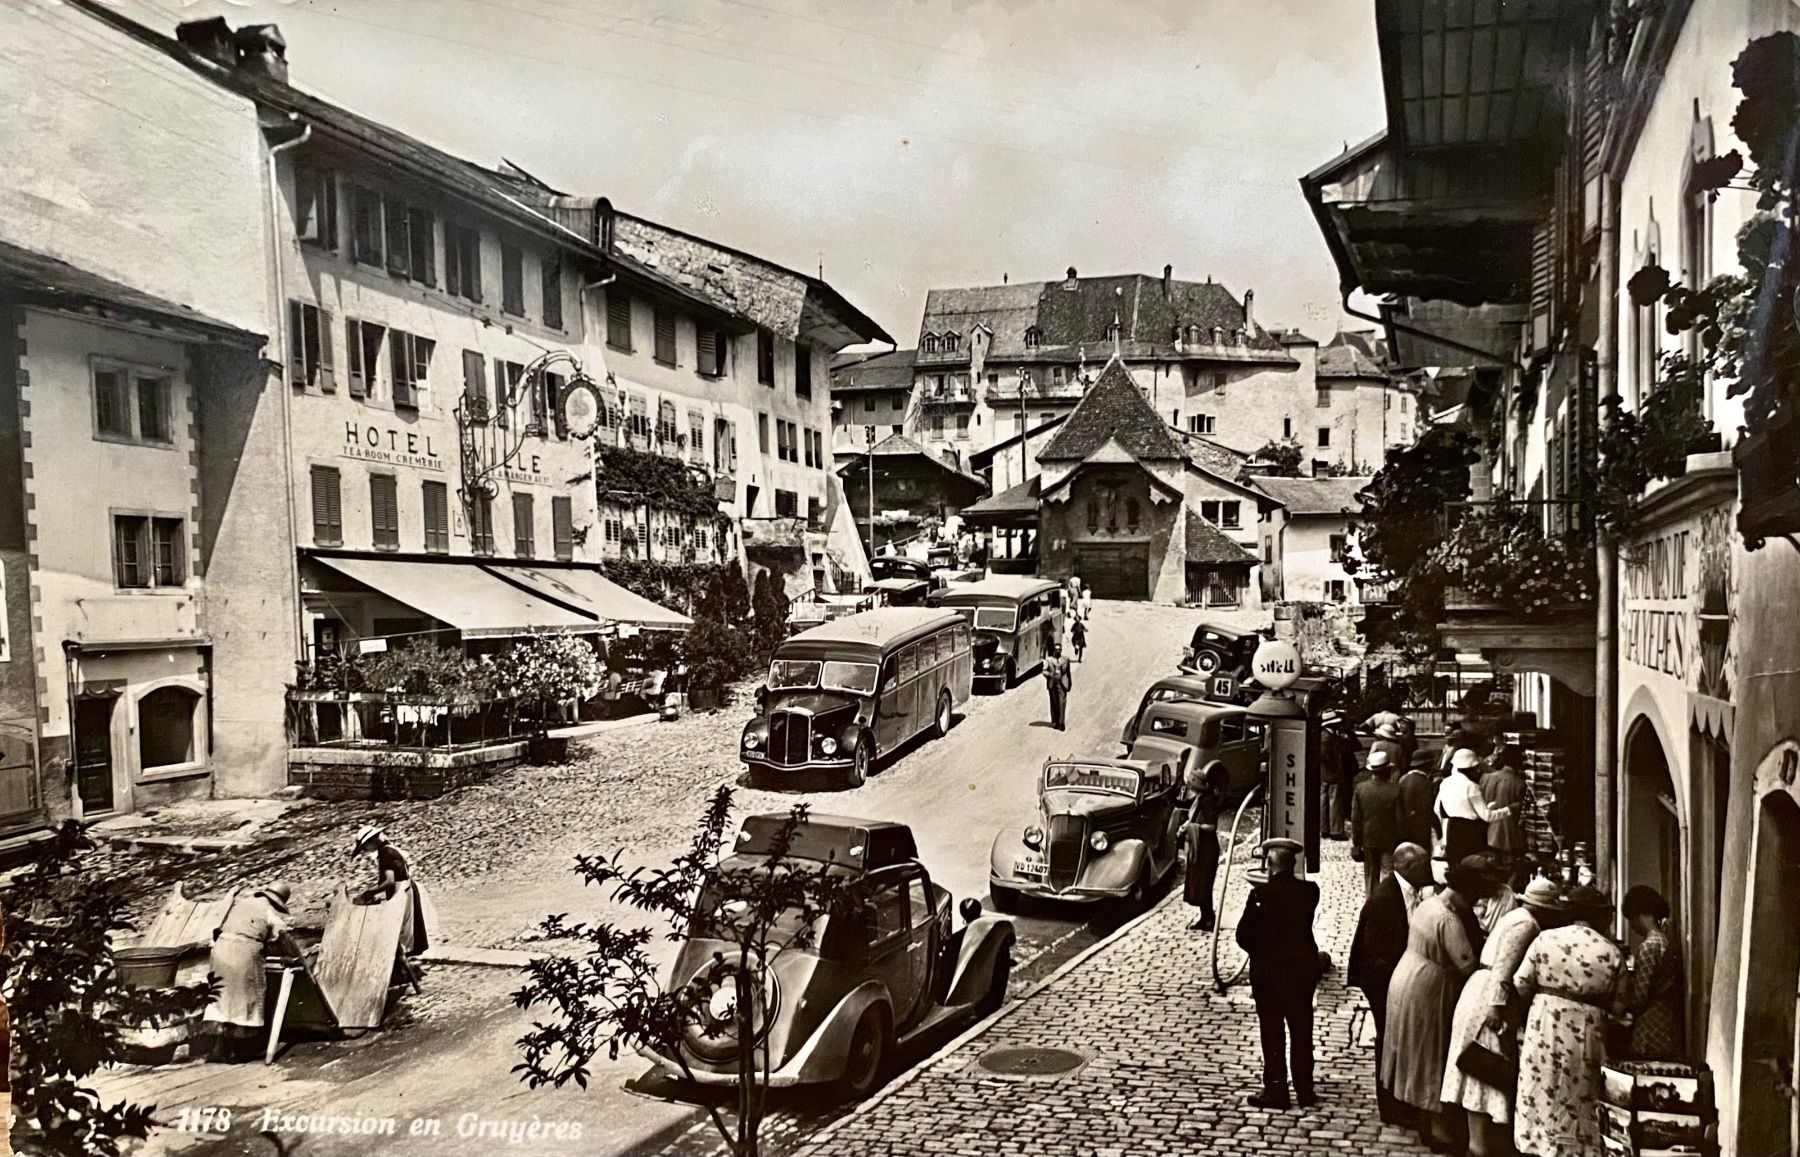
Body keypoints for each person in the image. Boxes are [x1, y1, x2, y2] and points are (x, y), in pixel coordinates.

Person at [1440, 877, 1563, 1157]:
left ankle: (1479, 1142)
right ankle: (1478, 1145)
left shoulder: (1517, 916)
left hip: (1480, 988)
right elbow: (1504, 968)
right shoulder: (1526, 924)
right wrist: (1497, 1007)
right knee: (1485, 1067)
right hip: (1488, 994)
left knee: (1479, 1068)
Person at [1383, 856, 1493, 1153]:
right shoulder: (1448, 919)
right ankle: (1439, 1130)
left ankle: (1425, 1120)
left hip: (1409, 975)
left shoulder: (1429, 904)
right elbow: (1467, 964)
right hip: (1429, 988)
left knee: (1416, 1051)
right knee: (1432, 1054)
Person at [1513, 886, 1625, 1157]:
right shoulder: (1611, 953)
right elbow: (1620, 1004)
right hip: (1586, 1033)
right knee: (1582, 1095)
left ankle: (1539, 1146)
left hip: (1545, 1026)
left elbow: (1520, 983)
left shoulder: (1545, 940)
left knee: (1542, 1088)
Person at [1350, 842, 1433, 1126]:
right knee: (1388, 1039)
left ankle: (1398, 1101)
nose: (1429, 869)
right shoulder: (1385, 899)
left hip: (1391, 976)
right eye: (1423, 864)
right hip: (1381, 980)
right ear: (1407, 868)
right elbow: (1376, 953)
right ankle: (1390, 1106)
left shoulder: (1405, 889)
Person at [1236, 838, 1321, 1109]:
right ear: (1294, 863)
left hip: (1270, 976)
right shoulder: (1310, 892)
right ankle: (1305, 1090)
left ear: (1269, 865)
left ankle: (1276, 1090)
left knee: (1272, 1033)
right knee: (1302, 1031)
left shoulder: (1261, 896)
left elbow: (1243, 936)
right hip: (1301, 972)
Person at [205, 882, 298, 1062]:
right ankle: (236, 1052)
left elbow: (218, 928)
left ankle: (220, 1048)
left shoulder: (240, 903)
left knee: (222, 997)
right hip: (244, 953)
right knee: (246, 998)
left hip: (220, 950)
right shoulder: (271, 914)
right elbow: (282, 941)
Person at [1614, 885, 1685, 1061]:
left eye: (1631, 919)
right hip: (1666, 1018)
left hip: (1651, 1021)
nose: (1631, 926)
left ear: (1639, 915)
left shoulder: (1649, 946)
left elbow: (1641, 995)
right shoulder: (1664, 940)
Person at [354, 826, 430, 956]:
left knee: (404, 926)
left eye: (366, 846)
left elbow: (390, 880)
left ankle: (405, 958)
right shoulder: (390, 849)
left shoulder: (385, 853)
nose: (367, 850)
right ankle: (408, 955)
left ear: (373, 841)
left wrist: (371, 892)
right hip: (405, 887)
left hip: (401, 891)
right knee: (408, 925)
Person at [1437, 749, 1512, 867]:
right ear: (1471, 768)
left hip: (1453, 830)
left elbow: (1438, 810)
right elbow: (1487, 816)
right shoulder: (1471, 786)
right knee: (1473, 867)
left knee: (1456, 866)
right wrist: (1508, 810)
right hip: (1471, 833)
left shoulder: (1445, 783)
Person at [1181, 760, 1229, 932]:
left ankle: (1208, 919)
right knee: (1201, 885)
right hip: (1202, 847)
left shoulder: (1206, 801)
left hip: (1206, 849)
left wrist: (1191, 827)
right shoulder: (1200, 798)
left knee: (1204, 885)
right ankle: (1206, 917)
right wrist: (1187, 824)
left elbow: (1211, 826)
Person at [1351, 749, 1404, 896]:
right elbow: (1400, 820)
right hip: (1389, 839)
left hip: (1368, 839)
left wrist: (1357, 841)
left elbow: (1356, 819)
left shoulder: (1361, 789)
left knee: (1370, 874)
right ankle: (1387, 900)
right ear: (1387, 769)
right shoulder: (1395, 790)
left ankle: (1371, 901)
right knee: (1388, 872)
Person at [1480, 748, 1529, 882]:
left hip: (1487, 831)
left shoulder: (1485, 778)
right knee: (1509, 870)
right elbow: (1519, 811)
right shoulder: (1519, 783)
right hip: (1508, 834)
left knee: (1491, 869)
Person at [1321, 712, 1357, 840]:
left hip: (1326, 773)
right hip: (1333, 773)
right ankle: (1335, 830)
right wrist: (1334, 766)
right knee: (1335, 801)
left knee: (1325, 801)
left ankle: (1324, 828)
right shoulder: (1328, 737)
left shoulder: (1326, 735)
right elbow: (1325, 755)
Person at [1398, 759, 1438, 851]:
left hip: (1405, 827)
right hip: (1420, 828)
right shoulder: (1424, 782)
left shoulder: (1403, 779)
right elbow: (1427, 808)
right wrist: (1437, 828)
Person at [1042, 642, 1071, 731]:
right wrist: (1051, 674)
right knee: (1054, 703)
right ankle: (1056, 722)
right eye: (1056, 650)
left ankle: (1062, 723)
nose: (1058, 651)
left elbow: (1068, 673)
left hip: (1062, 684)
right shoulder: (1048, 660)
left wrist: (1069, 684)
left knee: (1061, 703)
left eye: (1059, 650)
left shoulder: (1065, 660)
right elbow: (1044, 671)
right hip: (1053, 684)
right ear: (1053, 651)